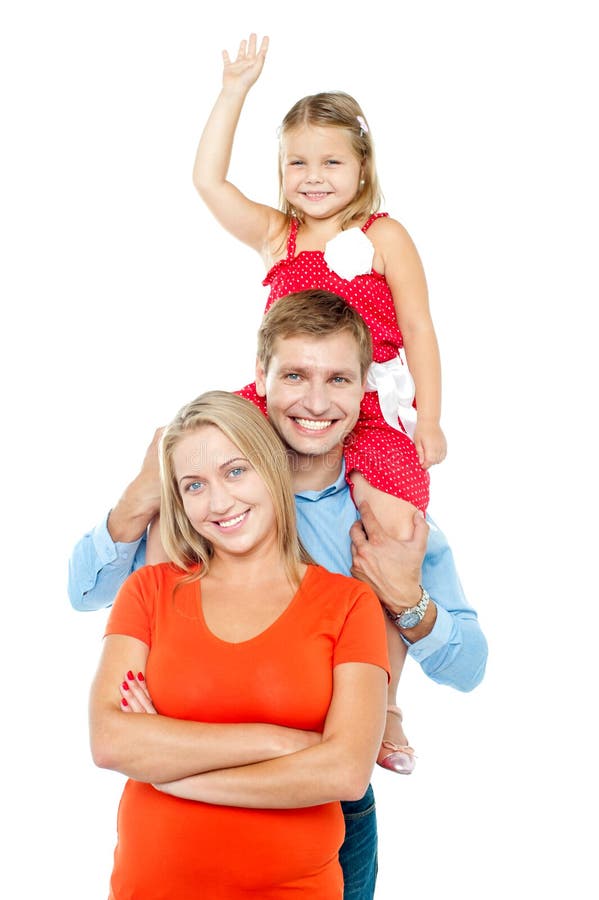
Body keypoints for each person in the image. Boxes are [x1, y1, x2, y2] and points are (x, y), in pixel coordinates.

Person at [70, 291, 488, 900]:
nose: (316, 403)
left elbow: (469, 668)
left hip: (317, 809)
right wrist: (143, 494)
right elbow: (87, 593)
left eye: (338, 379)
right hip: (174, 815)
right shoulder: (211, 493)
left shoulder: (386, 522)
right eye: (295, 375)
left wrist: (405, 599)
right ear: (260, 378)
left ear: (364, 388)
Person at [193, 34, 448, 769]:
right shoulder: (279, 235)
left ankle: (384, 700)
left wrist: (427, 416)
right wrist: (234, 90)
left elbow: (421, 325)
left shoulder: (383, 235)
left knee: (395, 527)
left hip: (366, 406)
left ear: (361, 167)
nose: (312, 176)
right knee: (201, 450)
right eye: (296, 162)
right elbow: (208, 184)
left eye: (330, 160)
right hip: (281, 403)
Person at [89, 390, 390, 898]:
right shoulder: (149, 591)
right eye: (194, 485)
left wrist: (174, 772)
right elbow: (110, 740)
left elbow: (344, 771)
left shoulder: (349, 604)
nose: (220, 502)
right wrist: (278, 743)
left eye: (235, 471)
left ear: (272, 467)